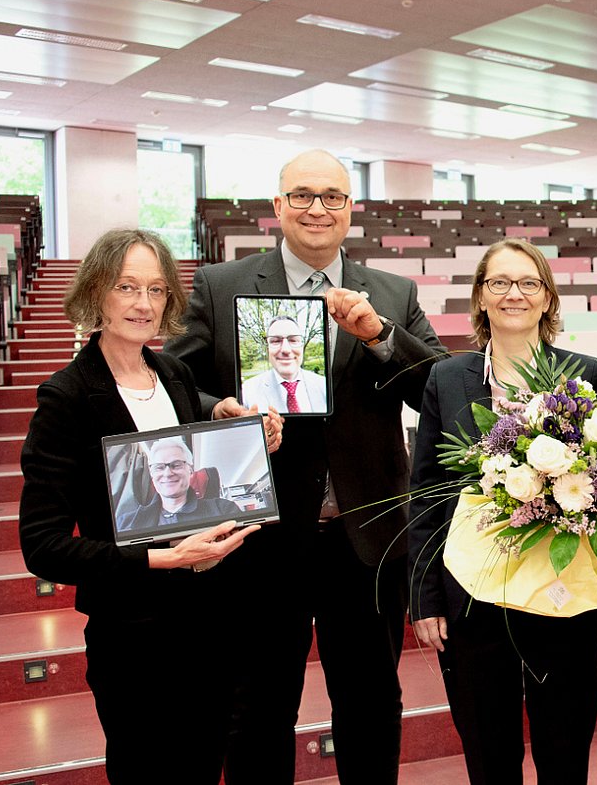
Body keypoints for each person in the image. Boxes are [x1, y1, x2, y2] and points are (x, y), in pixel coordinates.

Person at [166, 148, 446, 784]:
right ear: (278, 206)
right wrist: (219, 410)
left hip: (366, 538)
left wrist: (379, 337)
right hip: (261, 535)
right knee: (257, 707)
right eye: (302, 195)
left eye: (331, 196)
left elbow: (435, 389)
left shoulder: (392, 293)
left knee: (371, 703)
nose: (317, 208)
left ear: (350, 208)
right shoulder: (222, 285)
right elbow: (175, 384)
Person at [18, 229, 281, 784]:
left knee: (204, 767)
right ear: (96, 293)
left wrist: (240, 429)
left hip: (208, 622)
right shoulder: (66, 397)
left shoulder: (174, 375)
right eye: (127, 287)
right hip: (132, 633)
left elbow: (194, 466)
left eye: (157, 290)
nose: (144, 303)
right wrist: (164, 559)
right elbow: (43, 547)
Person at [408, 239, 597, 785]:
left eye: (528, 283)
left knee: (564, 751)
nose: (513, 294)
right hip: (472, 598)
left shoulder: (585, 374)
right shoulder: (447, 378)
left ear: (547, 297)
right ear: (480, 296)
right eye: (498, 282)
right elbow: (426, 491)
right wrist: (425, 597)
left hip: (561, 594)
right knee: (488, 753)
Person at [116, 437, 243, 532]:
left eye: (176, 465)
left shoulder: (224, 510)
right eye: (159, 467)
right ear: (152, 474)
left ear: (190, 470)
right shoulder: (125, 523)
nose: (167, 473)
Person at [240, 315, 328, 413]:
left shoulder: (324, 385)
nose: (286, 349)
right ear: (267, 349)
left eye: (293, 340)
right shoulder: (247, 392)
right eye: (276, 341)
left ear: (302, 346)